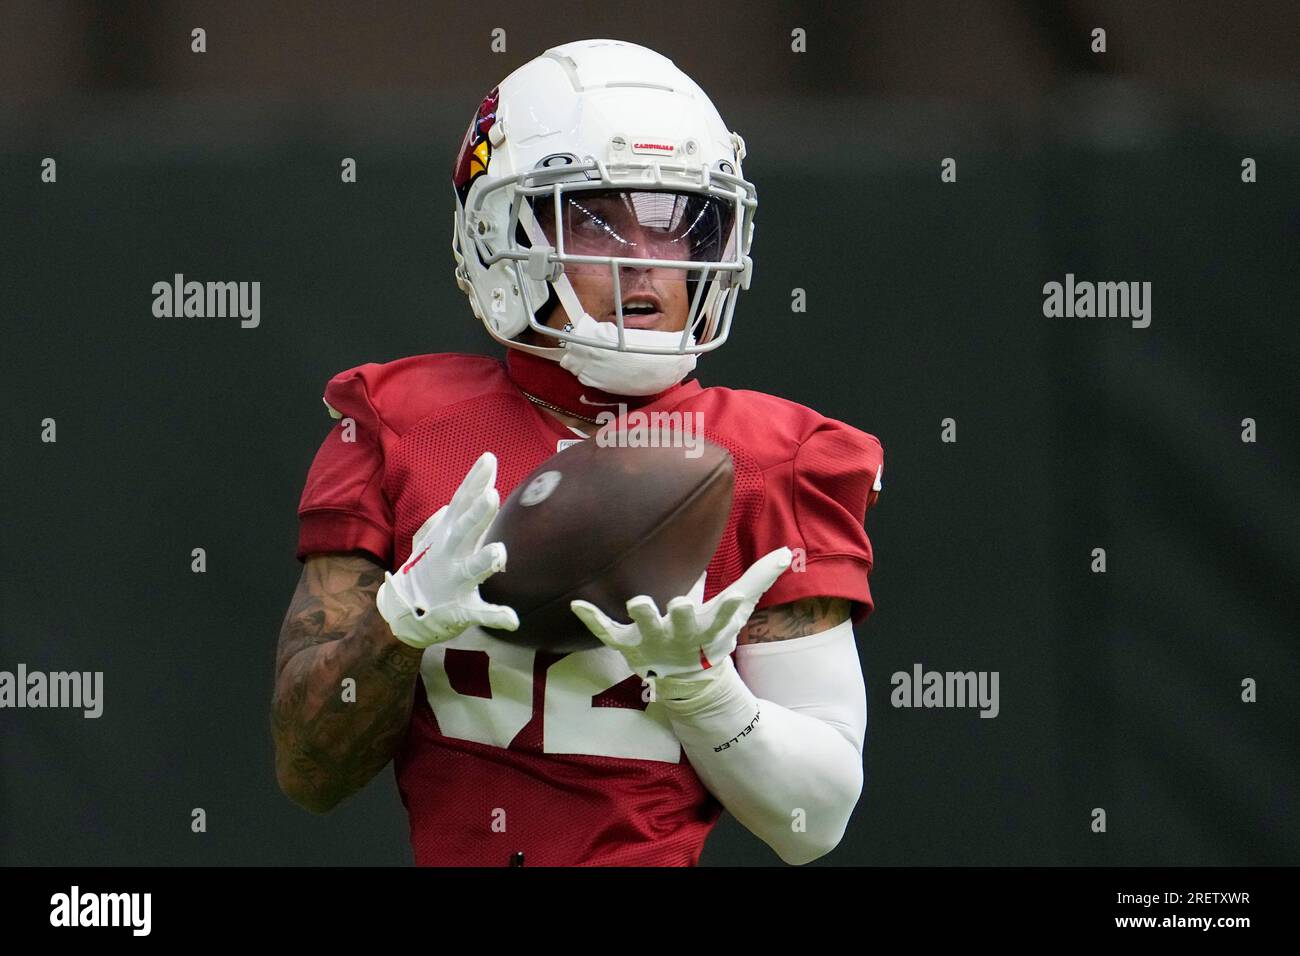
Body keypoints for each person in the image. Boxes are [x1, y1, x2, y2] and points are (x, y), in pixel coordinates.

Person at [271, 38, 884, 866]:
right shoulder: (400, 425)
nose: (650, 266)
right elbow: (309, 770)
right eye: (599, 219)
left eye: (682, 226)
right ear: (500, 228)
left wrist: (704, 689)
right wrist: (401, 620)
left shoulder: (774, 461)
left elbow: (815, 822)